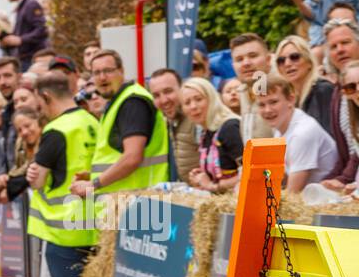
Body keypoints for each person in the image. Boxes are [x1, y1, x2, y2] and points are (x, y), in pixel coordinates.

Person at [24, 72, 101, 277]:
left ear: (46, 96)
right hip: (95, 227)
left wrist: (32, 176)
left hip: (64, 233)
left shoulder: (56, 130)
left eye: (37, 101)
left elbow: (40, 179)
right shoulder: (92, 122)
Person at [70, 50, 169, 201]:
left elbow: (132, 158)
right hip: (129, 205)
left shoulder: (132, 102)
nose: (102, 77)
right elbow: (116, 156)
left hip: (141, 204)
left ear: (121, 71)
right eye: (96, 73)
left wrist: (93, 184)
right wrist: (94, 175)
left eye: (108, 71)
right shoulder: (118, 102)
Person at [257, 74, 339, 191]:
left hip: (325, 201)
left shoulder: (302, 132)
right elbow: (281, 177)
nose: (267, 110)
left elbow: (293, 194)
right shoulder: (279, 127)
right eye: (261, 105)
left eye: (273, 102)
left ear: (291, 100)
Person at [324, 58, 359, 190]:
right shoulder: (358, 120)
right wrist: (343, 180)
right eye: (351, 87)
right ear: (346, 94)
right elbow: (358, 158)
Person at [178, 77, 242, 193]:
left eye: (198, 99)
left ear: (212, 98)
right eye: (187, 103)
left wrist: (213, 186)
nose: (193, 106)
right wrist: (201, 176)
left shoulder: (230, 128)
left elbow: (251, 173)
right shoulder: (206, 132)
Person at [275, 35, 335, 134]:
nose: (287, 64)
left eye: (294, 57)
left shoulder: (323, 90)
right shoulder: (289, 100)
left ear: (309, 62)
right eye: (281, 60)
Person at [148, 68, 200, 182]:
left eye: (168, 91)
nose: (163, 100)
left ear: (182, 88)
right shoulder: (173, 121)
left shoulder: (198, 119)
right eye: (156, 95)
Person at [0, 0, 51, 71]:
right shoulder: (24, 5)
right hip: (27, 57)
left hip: (32, 57)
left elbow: (42, 30)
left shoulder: (30, 4)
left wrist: (20, 40)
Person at [230, 33, 274, 141]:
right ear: (233, 66)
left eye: (253, 56)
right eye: (239, 59)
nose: (246, 63)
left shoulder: (283, 90)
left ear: (268, 60)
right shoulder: (243, 93)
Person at [0, 106, 41, 203]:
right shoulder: (21, 144)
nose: (24, 132)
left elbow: (31, 172)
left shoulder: (48, 141)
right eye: (19, 130)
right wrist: (6, 179)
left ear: (39, 122)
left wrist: (10, 190)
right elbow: (19, 169)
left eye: (28, 126)